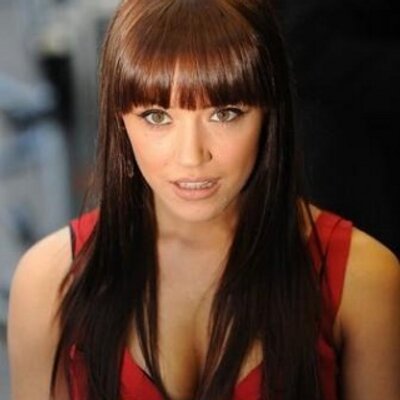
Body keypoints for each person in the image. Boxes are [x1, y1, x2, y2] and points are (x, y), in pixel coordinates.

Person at [7, 1, 400, 399]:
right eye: (157, 116)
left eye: (225, 113)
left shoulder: (362, 279)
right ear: (119, 119)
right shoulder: (48, 283)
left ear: (269, 112)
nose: (192, 157)